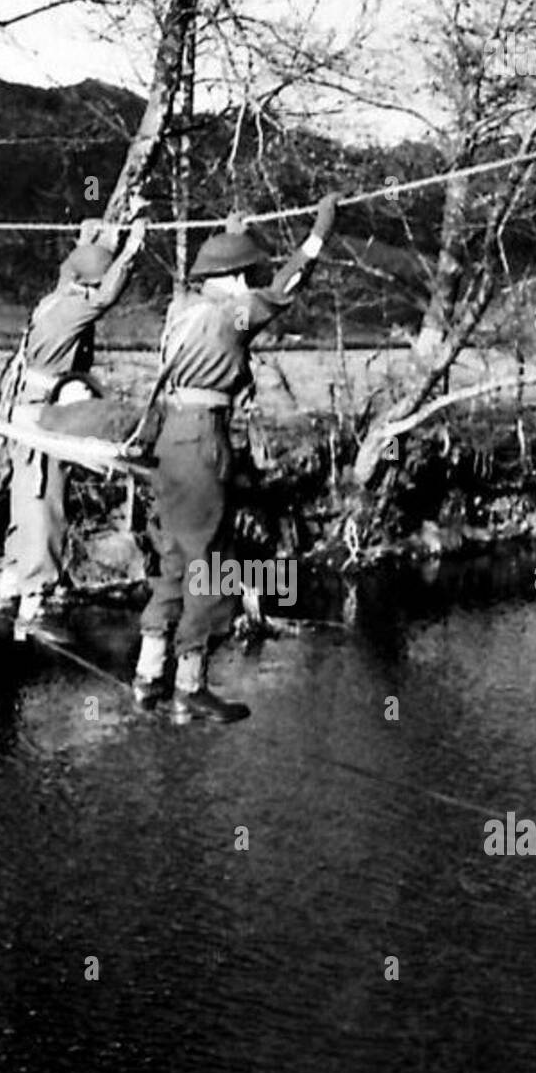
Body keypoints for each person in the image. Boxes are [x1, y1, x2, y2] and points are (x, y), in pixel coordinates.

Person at [132, 193, 339, 722]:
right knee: (213, 565)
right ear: (237, 280)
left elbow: (233, 277)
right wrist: (319, 231)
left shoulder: (183, 308)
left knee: (176, 559)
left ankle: (148, 677)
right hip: (203, 439)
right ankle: (190, 686)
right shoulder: (233, 316)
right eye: (248, 273)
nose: (252, 282)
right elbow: (287, 287)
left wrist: (232, 235)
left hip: (168, 441)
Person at [0, 216, 147, 643]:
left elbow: (79, 267)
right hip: (43, 420)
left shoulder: (53, 299)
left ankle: (6, 592)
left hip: (22, 415)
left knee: (25, 499)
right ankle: (34, 608)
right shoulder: (75, 307)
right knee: (45, 503)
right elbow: (108, 294)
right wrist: (133, 249)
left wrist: (100, 234)